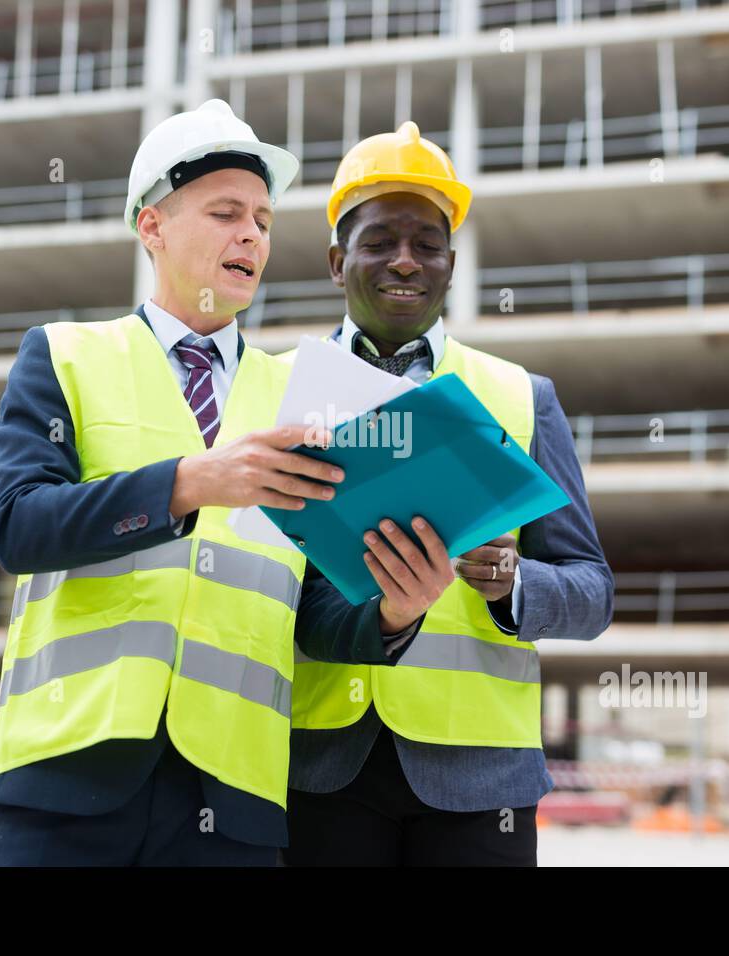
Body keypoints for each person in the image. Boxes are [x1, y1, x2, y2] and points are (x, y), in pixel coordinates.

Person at [0, 101, 453, 866]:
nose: (252, 237)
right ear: (152, 226)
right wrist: (191, 481)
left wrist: (394, 611)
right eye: (227, 213)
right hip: (67, 776)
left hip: (233, 799)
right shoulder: (65, 356)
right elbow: (20, 527)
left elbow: (319, 612)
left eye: (264, 221)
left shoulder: (316, 391)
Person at [283, 122, 615, 867]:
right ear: (338, 262)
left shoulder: (520, 397)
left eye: (427, 244)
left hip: (478, 783)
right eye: (379, 241)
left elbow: (592, 592)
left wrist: (515, 585)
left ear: (452, 264)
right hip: (317, 767)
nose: (406, 260)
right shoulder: (278, 392)